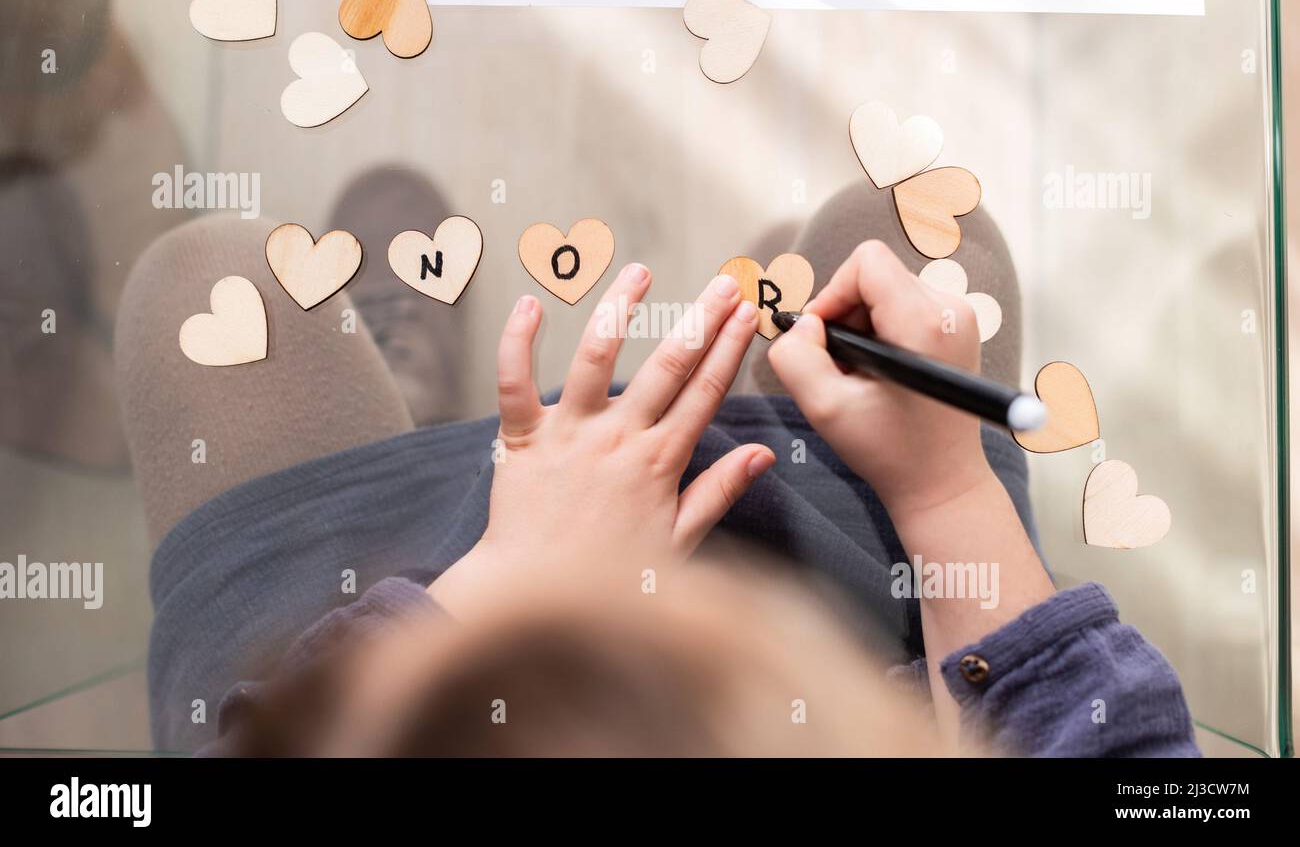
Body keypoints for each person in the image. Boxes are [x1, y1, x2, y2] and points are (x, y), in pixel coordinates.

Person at [118, 183, 1197, 756]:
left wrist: (511, 579)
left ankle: (421, 418)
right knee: (896, 228)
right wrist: (943, 490)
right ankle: (761, 341)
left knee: (205, 279)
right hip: (842, 684)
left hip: (425, 707)